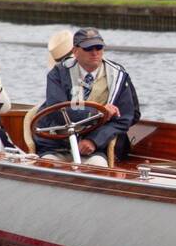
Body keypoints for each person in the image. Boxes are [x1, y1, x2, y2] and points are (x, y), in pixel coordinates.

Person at [34, 28, 141, 167]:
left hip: (94, 149)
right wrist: (99, 112)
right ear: (75, 51)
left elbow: (126, 118)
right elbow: (57, 112)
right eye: (88, 48)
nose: (95, 52)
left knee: (97, 166)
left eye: (99, 47)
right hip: (57, 144)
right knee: (47, 166)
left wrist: (94, 141)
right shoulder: (58, 73)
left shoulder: (118, 75)